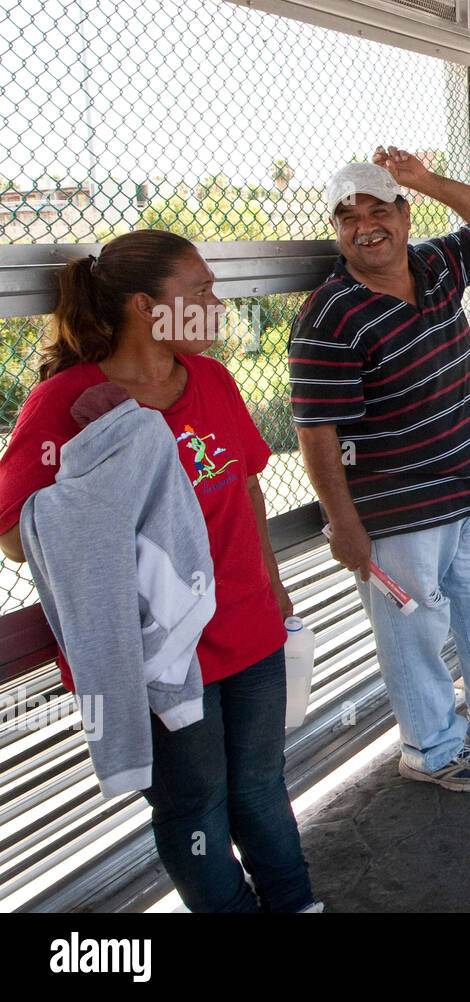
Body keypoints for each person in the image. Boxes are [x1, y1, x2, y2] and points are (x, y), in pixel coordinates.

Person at [0, 230, 317, 913]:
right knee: (193, 807)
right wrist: (109, 476)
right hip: (159, 657)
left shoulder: (212, 380)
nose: (218, 303)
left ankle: (296, 904)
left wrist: (275, 586)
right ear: (147, 306)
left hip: (251, 630)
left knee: (260, 786)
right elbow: (18, 538)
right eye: (200, 291)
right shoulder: (67, 403)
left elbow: (248, 486)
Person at [289, 149, 470, 794]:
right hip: (396, 513)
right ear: (337, 231)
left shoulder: (436, 264)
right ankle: (432, 748)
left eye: (379, 209)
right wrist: (343, 524)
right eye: (347, 216)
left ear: (404, 215)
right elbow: (317, 431)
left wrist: (426, 179)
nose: (365, 225)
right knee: (413, 630)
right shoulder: (329, 316)